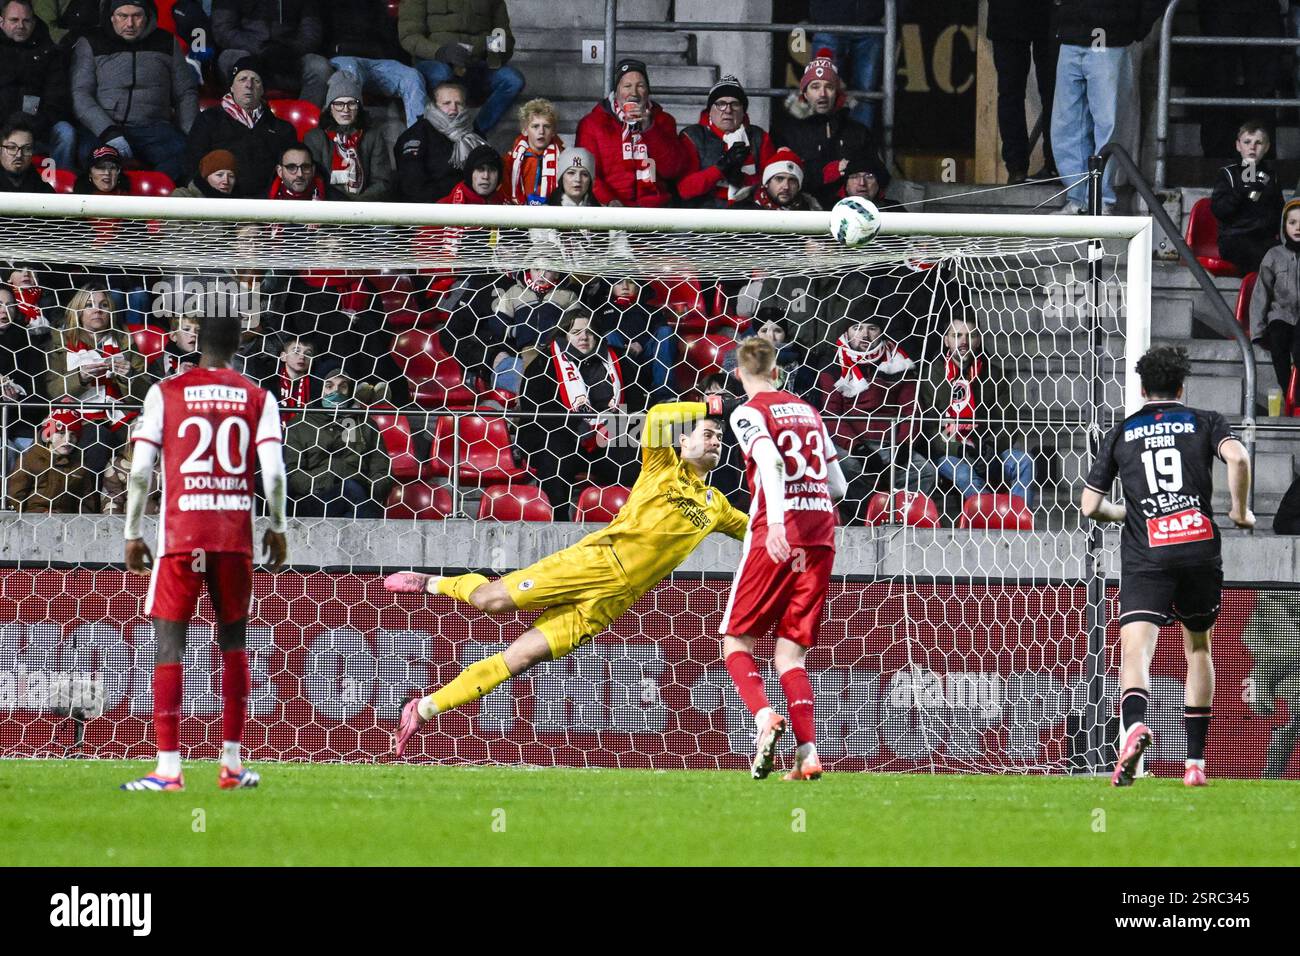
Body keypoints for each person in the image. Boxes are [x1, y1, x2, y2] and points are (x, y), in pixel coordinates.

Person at [384, 398, 749, 756]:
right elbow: (655, 417)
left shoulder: (716, 506)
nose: (716, 441)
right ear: (683, 441)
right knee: (490, 601)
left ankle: (423, 708)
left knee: (520, 659)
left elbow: (756, 530)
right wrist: (713, 406)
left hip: (608, 603)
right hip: (591, 564)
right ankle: (431, 582)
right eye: (708, 433)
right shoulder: (662, 467)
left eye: (719, 437)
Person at [120, 315, 288, 791]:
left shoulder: (165, 392)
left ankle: (169, 769)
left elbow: (140, 470)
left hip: (181, 536)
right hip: (234, 538)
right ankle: (231, 765)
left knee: (169, 645)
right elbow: (273, 474)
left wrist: (133, 531)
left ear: (197, 342)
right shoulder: (259, 396)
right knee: (234, 643)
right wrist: (275, 526)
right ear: (238, 343)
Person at [1080, 345, 1255, 788]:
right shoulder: (1205, 420)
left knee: (1136, 652)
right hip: (1198, 549)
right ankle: (1194, 764)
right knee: (1198, 647)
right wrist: (1240, 512)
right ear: (1182, 386)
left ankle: (1135, 724)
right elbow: (1237, 458)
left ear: (1142, 388)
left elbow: (1089, 506)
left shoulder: (1123, 430)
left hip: (1147, 555)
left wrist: (1128, 513)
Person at [722, 337, 847, 781]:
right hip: (822, 536)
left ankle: (762, 718)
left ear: (739, 374)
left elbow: (771, 461)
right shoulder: (810, 412)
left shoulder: (747, 412)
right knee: (790, 655)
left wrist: (776, 522)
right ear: (777, 371)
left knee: (736, 641)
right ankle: (808, 755)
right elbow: (839, 486)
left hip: (779, 534)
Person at [515, 310, 638, 519]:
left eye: (589, 332)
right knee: (554, 454)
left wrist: (613, 425)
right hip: (564, 434)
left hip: (609, 435)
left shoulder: (619, 360)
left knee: (631, 457)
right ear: (564, 334)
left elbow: (636, 401)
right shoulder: (543, 363)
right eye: (576, 331)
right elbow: (535, 408)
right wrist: (574, 425)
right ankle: (558, 521)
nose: (583, 337)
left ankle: (625, 519)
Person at [1050, 1, 1163, 214]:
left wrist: (1132, 28)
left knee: (1109, 124)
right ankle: (1077, 200)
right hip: (1070, 34)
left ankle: (1101, 200)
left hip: (1108, 36)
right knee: (1066, 124)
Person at [70, 0, 198, 184]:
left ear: (147, 17)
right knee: (90, 157)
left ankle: (153, 208)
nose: (130, 24)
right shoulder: (91, 42)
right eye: (123, 16)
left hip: (154, 127)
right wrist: (108, 131)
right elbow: (80, 94)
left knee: (184, 157)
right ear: (112, 17)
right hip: (104, 128)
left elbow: (185, 92)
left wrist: (190, 134)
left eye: (136, 16)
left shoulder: (167, 42)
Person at [914, 316, 1034, 509]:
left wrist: (990, 449)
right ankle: (989, 518)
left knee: (1024, 462)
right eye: (957, 335)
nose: (964, 342)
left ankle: (1021, 521)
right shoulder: (930, 375)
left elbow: (1008, 422)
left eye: (971, 336)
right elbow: (928, 427)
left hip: (987, 451)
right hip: (948, 452)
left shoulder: (994, 375)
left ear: (978, 340)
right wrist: (958, 448)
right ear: (946, 340)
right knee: (963, 474)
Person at [44, 283, 147, 477]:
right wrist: (80, 378)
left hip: (121, 416)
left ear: (112, 311)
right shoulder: (60, 344)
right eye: (90, 304)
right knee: (97, 437)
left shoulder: (126, 342)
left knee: (145, 436)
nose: (97, 310)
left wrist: (129, 377)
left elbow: (145, 396)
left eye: (104, 304)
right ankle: (88, 499)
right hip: (78, 419)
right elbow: (51, 391)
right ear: (78, 311)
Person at [772, 48, 886, 210]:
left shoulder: (858, 132)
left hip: (849, 213)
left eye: (829, 87)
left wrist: (855, 173)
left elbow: (880, 176)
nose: (823, 94)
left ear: (837, 93)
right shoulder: (786, 132)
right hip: (800, 213)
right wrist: (826, 173)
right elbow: (778, 182)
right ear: (804, 94)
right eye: (815, 87)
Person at [398, 0, 523, 135]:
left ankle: (475, 134)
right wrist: (440, 51)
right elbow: (409, 35)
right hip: (434, 62)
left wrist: (492, 52)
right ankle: (441, 135)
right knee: (441, 74)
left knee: (512, 80)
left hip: (475, 66)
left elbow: (502, 35)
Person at [576, 58, 688, 208]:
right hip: (610, 209)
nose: (633, 93)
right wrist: (609, 200)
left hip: (656, 209)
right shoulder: (592, 124)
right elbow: (588, 173)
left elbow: (672, 170)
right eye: (627, 86)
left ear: (648, 91)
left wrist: (650, 128)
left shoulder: (664, 120)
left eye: (640, 86)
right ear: (616, 92)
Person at [184, 56, 297, 198]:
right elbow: (193, 167)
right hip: (216, 205)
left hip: (266, 208)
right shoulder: (208, 120)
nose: (249, 85)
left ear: (262, 89)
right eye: (242, 79)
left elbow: (291, 173)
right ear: (231, 86)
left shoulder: (282, 129)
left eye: (255, 80)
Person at [323, 0, 427, 130]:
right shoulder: (328, 4)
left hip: (377, 59)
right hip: (343, 57)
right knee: (351, 70)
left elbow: (389, 37)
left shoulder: (377, 4)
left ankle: (418, 137)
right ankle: (349, 135)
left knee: (412, 76)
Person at [677, 75, 776, 208]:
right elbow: (685, 190)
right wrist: (721, 167)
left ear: (743, 110)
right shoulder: (693, 136)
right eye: (721, 104)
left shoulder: (759, 137)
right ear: (710, 110)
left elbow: (771, 185)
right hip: (703, 214)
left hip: (749, 214)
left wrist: (743, 180)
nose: (728, 110)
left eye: (735, 104)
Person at [0, 0, 76, 172]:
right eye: (14, 20)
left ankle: (61, 191)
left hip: (38, 128)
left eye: (26, 20)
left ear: (34, 23)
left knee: (65, 132)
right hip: (1, 129)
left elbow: (57, 100)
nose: (21, 25)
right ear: (1, 22)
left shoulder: (50, 52)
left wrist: (30, 125)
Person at [211, 0, 332, 107]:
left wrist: (290, 51)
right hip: (250, 55)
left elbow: (312, 32)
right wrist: (260, 50)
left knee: (320, 67)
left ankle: (303, 123)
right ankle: (244, 123)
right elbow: (223, 30)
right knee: (230, 58)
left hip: (290, 58)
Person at [987, 0, 1057, 184]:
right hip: (1011, 15)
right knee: (1014, 94)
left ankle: (1050, 165)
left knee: (1050, 93)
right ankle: (1022, 166)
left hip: (1041, 14)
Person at [304, 70, 392, 202]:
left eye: (352, 103)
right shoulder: (314, 137)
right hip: (328, 206)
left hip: (366, 207)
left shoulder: (373, 136)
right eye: (339, 104)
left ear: (359, 107)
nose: (346, 110)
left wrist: (356, 205)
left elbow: (382, 182)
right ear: (330, 108)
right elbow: (315, 179)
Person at [392, 80, 484, 203]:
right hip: (432, 209)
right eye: (446, 103)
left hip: (472, 205)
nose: (453, 108)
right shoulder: (416, 134)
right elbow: (412, 185)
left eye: (459, 103)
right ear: (434, 105)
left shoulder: (475, 133)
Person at [1211, 122, 1284, 276]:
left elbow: (1279, 212)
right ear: (1238, 146)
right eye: (1247, 142)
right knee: (1265, 257)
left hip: (1263, 239)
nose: (1252, 147)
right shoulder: (1228, 174)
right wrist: (1240, 191)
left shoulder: (1271, 177)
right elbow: (1220, 211)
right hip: (1235, 238)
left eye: (1258, 143)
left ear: (1267, 147)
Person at [808, 1, 885, 132]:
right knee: (821, 90)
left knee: (866, 94)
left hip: (870, 24)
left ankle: (858, 147)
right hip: (829, 23)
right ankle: (822, 147)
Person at [1250, 198, 1300, 397]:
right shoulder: (1274, 255)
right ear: (1284, 225)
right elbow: (1261, 293)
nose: (1298, 228)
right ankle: (1289, 392)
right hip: (1280, 314)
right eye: (1292, 222)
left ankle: (1297, 394)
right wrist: (1257, 330)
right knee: (1278, 344)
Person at [7, 406, 92, 512]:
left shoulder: (79, 466)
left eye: (73, 434)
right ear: (48, 435)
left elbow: (87, 501)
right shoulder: (29, 460)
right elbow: (15, 497)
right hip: (32, 520)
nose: (68, 439)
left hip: (67, 522)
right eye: (61, 433)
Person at [503, 98, 563, 205]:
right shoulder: (511, 160)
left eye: (547, 126)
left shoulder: (563, 158)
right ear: (525, 130)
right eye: (535, 126)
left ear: (553, 131)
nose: (541, 132)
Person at [741, 148, 821, 211]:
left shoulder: (810, 214)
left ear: (798, 186)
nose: (786, 186)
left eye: (792, 181)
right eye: (779, 179)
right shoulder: (741, 212)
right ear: (766, 183)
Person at [437, 141, 503, 205]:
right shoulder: (441, 209)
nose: (486, 176)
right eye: (480, 169)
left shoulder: (507, 204)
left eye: (492, 170)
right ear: (469, 173)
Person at [0, 119, 53, 192]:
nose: (19, 155)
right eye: (12, 148)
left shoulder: (42, 186)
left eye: (26, 149)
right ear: (0, 150)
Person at [147, 313, 200, 379]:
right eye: (186, 329)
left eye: (198, 330)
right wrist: (174, 375)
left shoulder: (209, 358)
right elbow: (153, 387)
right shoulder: (160, 362)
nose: (193, 334)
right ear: (173, 336)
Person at [171, 147, 239, 197]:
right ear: (206, 177)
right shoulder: (182, 196)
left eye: (231, 176)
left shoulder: (242, 203)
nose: (226, 181)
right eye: (219, 175)